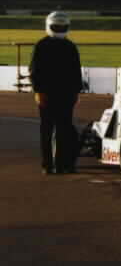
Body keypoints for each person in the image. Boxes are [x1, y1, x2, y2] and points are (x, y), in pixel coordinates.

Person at [29, 11, 84, 175]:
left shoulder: (70, 46)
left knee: (64, 129)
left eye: (62, 27)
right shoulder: (41, 45)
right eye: (56, 27)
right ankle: (47, 164)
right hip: (47, 93)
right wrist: (38, 91)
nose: (59, 29)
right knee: (47, 129)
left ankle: (61, 164)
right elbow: (35, 70)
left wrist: (76, 91)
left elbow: (76, 70)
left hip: (66, 94)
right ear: (49, 26)